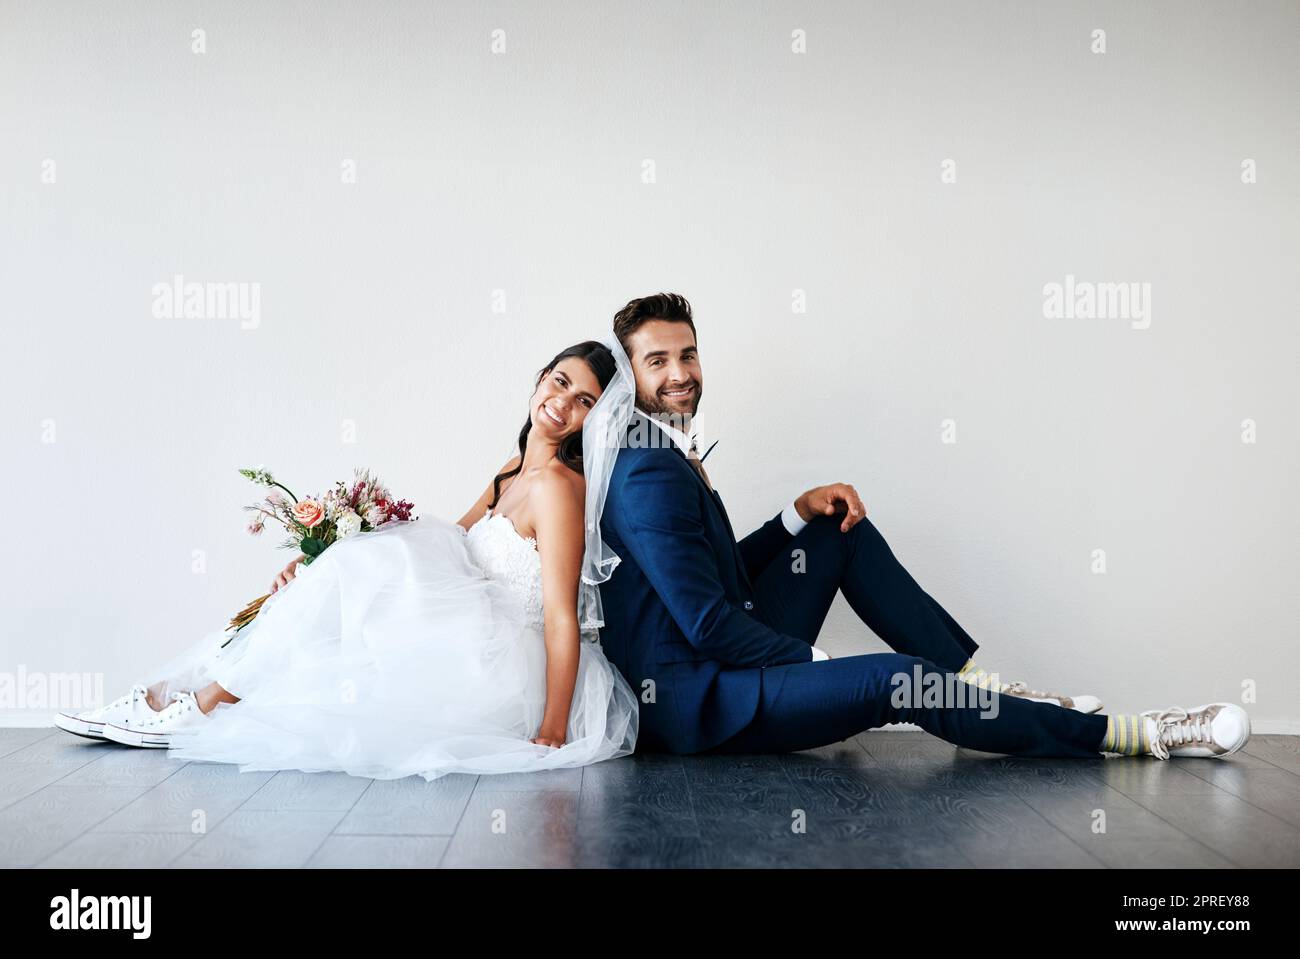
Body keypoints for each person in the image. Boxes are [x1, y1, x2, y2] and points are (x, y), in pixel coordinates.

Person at [596, 293, 1251, 762]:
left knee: (836, 530)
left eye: (688, 353)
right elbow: (707, 623)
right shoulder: (648, 470)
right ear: (631, 376)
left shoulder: (664, 448)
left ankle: (985, 686)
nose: (680, 373)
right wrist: (815, 665)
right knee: (897, 679)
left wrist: (794, 515)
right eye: (658, 361)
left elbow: (713, 577)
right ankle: (1134, 733)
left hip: (719, 653)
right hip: (698, 701)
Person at [53, 337, 641, 781]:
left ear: (596, 418)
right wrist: (329, 560)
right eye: (558, 382)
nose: (561, 403)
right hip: (462, 630)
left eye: (583, 400)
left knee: (354, 582)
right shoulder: (513, 472)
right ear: (539, 379)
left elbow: (565, 615)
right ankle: (175, 693)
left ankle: (195, 708)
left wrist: (553, 729)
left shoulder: (559, 488)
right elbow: (445, 543)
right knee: (334, 591)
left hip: (506, 661)